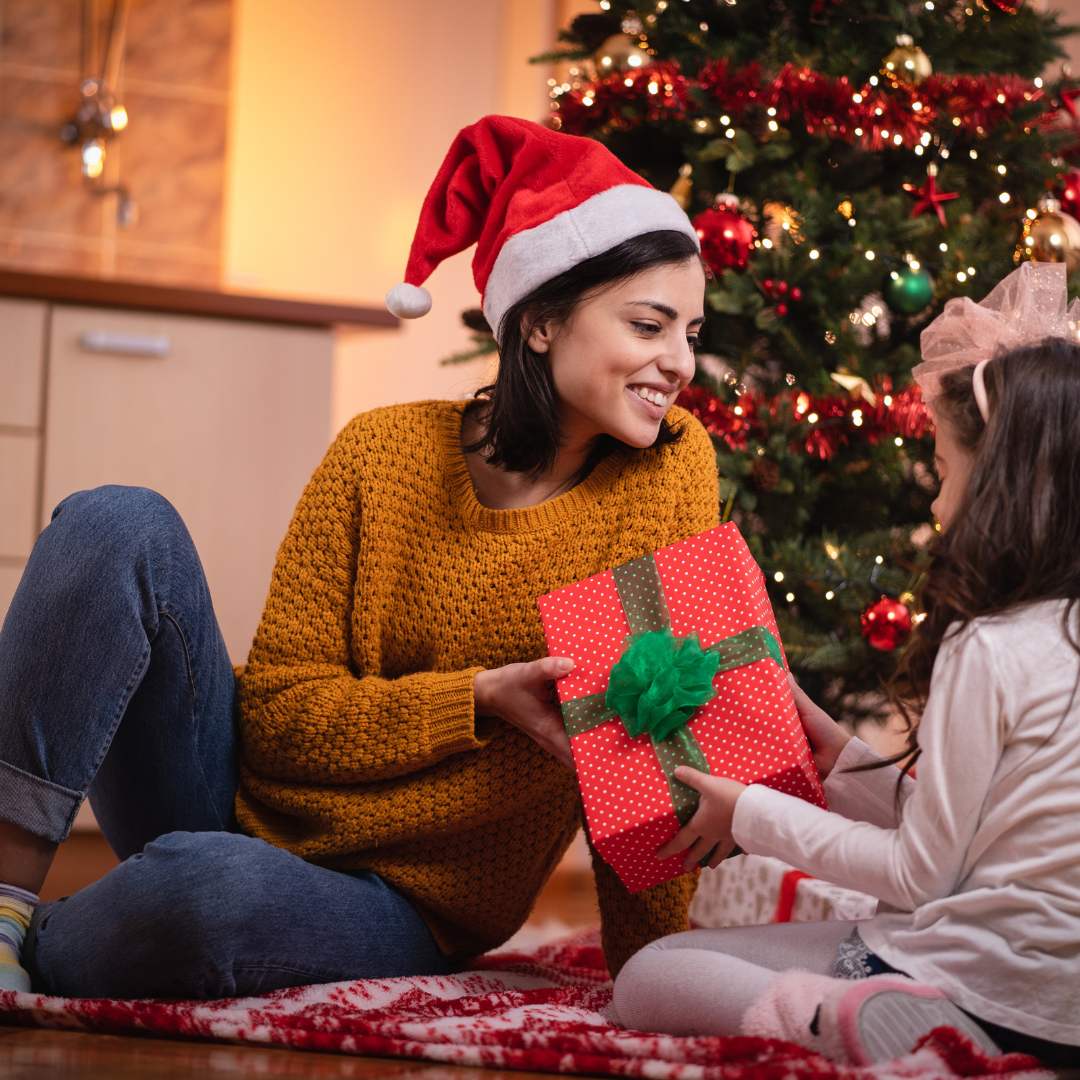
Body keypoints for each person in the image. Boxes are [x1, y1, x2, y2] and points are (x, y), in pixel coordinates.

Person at [0, 116, 721, 1000]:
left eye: (691, 331)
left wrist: (650, 975)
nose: (680, 362)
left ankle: (72, 936)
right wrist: (477, 698)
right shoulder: (381, 453)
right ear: (539, 322)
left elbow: (651, 745)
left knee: (209, 893)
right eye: (650, 325)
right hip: (239, 798)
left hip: (407, 902)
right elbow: (277, 721)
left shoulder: (668, 468)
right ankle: (2, 908)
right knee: (117, 521)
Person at [612, 261, 1080, 1068]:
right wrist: (844, 762)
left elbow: (921, 876)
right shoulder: (1060, 633)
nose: (935, 504)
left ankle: (833, 1018)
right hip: (1060, 1009)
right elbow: (978, 841)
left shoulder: (988, 645)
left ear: (996, 477)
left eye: (942, 471)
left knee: (651, 975)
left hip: (967, 984)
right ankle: (908, 1015)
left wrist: (748, 813)